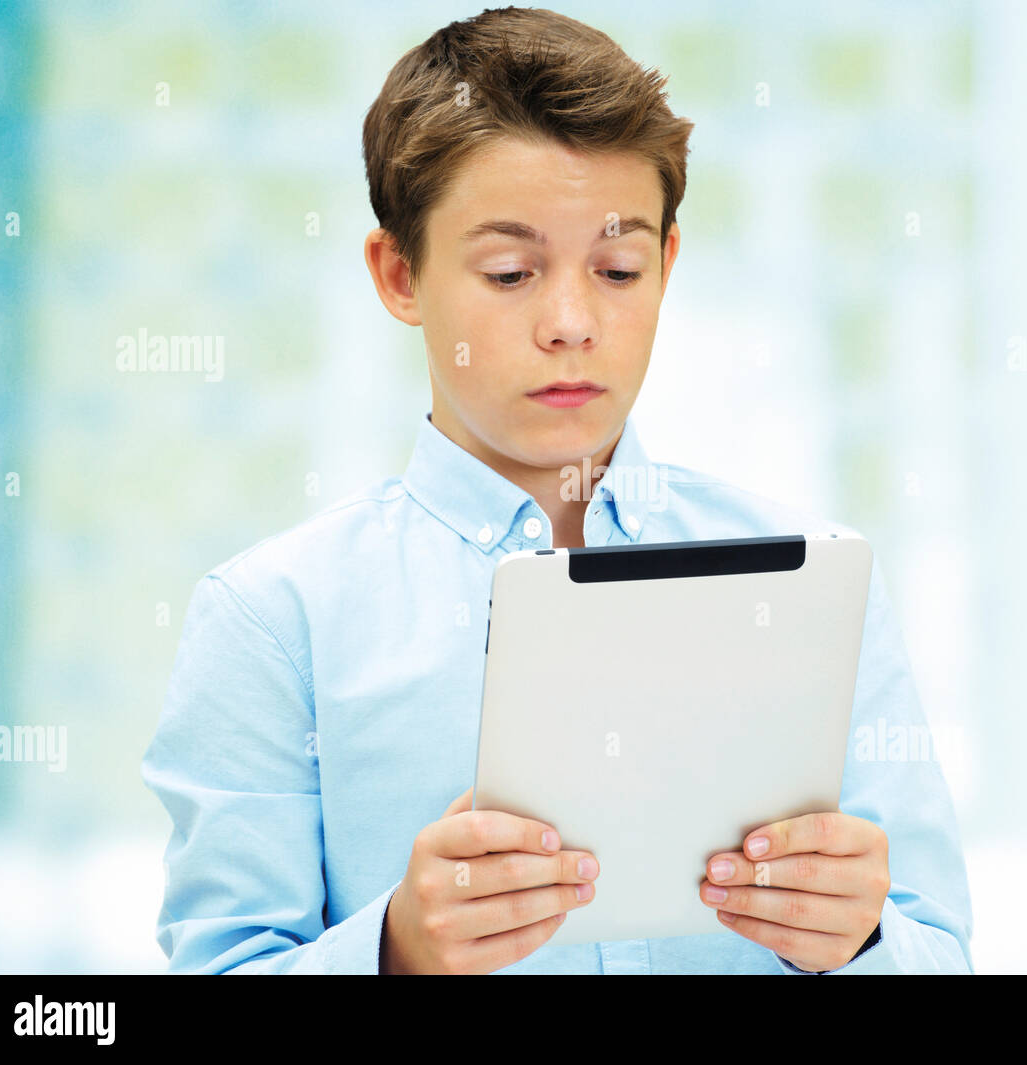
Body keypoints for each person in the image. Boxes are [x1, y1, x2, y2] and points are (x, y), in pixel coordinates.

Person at [141, 6, 973, 975]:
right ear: (398, 274)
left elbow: (937, 954)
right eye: (509, 272)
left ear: (665, 267)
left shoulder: (821, 587)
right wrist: (396, 950)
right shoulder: (273, 619)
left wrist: (863, 940)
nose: (572, 321)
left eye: (617, 269)